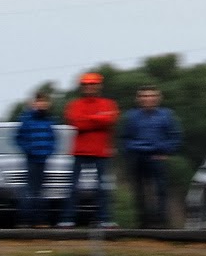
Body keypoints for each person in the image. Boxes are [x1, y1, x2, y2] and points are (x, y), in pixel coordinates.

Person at [61, 72, 120, 228]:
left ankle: (104, 219)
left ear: (99, 86)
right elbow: (76, 123)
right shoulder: (75, 104)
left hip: (101, 152)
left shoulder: (108, 104)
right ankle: (68, 219)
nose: (89, 87)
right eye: (86, 85)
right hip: (80, 151)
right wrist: (97, 119)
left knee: (102, 187)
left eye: (93, 84)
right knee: (73, 187)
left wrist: (88, 119)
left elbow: (110, 120)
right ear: (82, 87)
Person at [119, 86, 182, 227]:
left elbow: (175, 136)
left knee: (161, 189)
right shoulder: (132, 116)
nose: (148, 99)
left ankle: (162, 221)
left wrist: (166, 151)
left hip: (158, 156)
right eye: (144, 96)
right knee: (139, 190)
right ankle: (143, 221)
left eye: (151, 96)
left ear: (158, 98)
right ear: (138, 99)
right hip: (137, 156)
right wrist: (133, 150)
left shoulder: (166, 115)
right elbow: (125, 138)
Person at [13, 92, 57, 228]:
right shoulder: (26, 119)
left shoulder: (49, 120)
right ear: (34, 103)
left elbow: (53, 139)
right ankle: (25, 220)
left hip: (43, 159)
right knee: (29, 190)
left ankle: (40, 220)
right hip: (31, 159)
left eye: (44, 101)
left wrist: (49, 151)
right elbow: (18, 138)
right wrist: (28, 149)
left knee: (41, 191)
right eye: (39, 101)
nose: (41, 104)